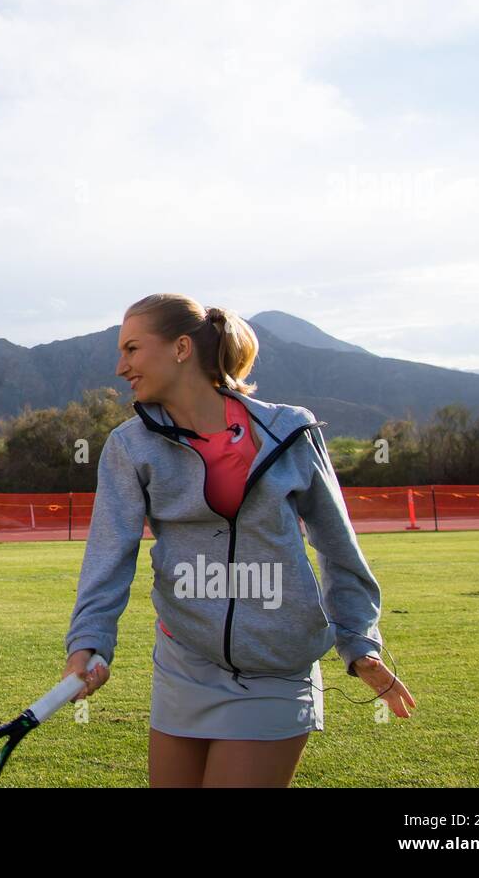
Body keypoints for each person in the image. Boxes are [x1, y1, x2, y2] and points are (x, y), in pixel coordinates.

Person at [62, 293, 415, 787]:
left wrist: (358, 642)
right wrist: (88, 642)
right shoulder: (129, 445)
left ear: (181, 347)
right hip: (183, 662)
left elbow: (337, 544)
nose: (121, 367)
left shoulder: (291, 431)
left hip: (274, 667)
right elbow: (109, 555)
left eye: (132, 349)